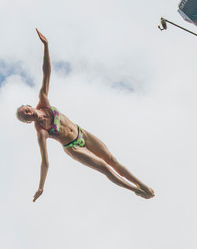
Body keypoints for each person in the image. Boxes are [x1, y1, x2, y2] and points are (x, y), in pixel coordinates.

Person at [16, 31, 154, 201]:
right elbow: (44, 161)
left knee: (111, 159)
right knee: (104, 167)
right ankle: (134, 190)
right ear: (28, 122)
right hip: (73, 148)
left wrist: (46, 46)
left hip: (82, 133)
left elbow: (46, 73)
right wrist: (41, 186)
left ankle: (142, 185)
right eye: (25, 117)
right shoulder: (41, 131)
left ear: (30, 106)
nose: (27, 114)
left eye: (25, 111)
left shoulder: (44, 102)